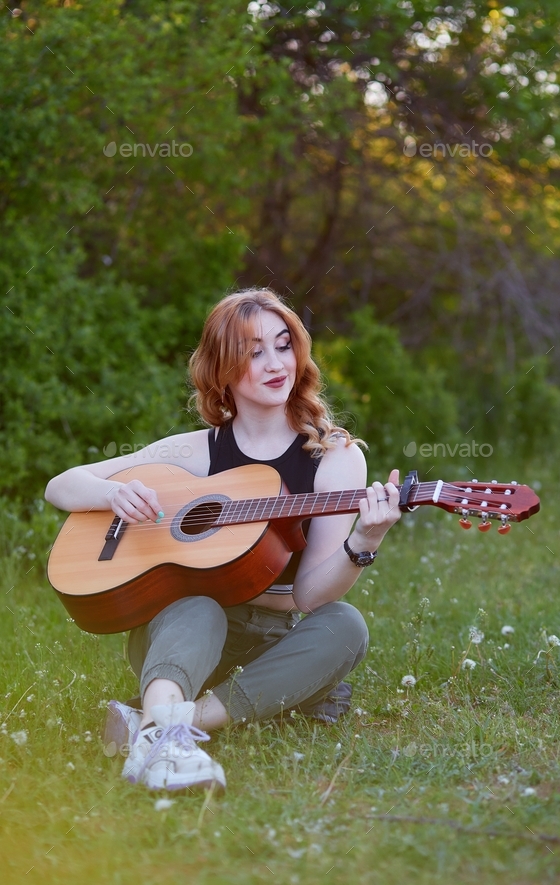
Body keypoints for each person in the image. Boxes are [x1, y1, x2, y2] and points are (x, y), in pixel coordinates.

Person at [45, 288, 401, 792]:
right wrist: (111, 496)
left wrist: (363, 540)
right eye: (255, 353)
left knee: (345, 624)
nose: (277, 364)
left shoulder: (334, 456)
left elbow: (311, 597)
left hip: (270, 642)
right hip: (182, 633)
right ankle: (176, 733)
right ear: (222, 369)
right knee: (200, 606)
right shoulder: (194, 451)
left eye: (284, 345)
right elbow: (61, 484)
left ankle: (164, 725)